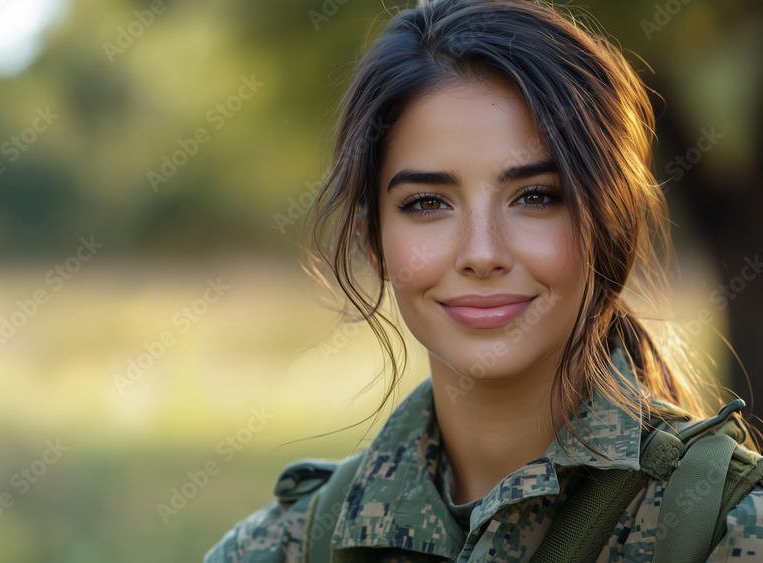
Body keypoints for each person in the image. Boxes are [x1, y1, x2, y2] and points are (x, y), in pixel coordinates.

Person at [205, 0, 763, 561]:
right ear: (375, 242)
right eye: (427, 203)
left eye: (535, 196)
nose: (481, 254)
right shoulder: (277, 548)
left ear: (609, 223)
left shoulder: (734, 533)